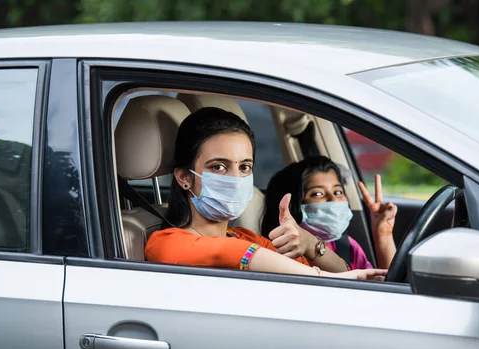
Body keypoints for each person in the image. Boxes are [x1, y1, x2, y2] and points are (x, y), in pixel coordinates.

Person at [145, 107, 386, 281]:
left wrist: (310, 243)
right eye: (218, 167)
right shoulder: (165, 242)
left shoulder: (245, 237)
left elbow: (342, 272)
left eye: (244, 167)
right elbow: (228, 253)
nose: (236, 179)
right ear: (184, 178)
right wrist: (327, 276)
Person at [261, 156, 397, 270]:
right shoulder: (280, 253)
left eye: (338, 192)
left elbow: (383, 287)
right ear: (293, 205)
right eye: (317, 194)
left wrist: (383, 235)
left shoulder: (347, 246)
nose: (334, 200)